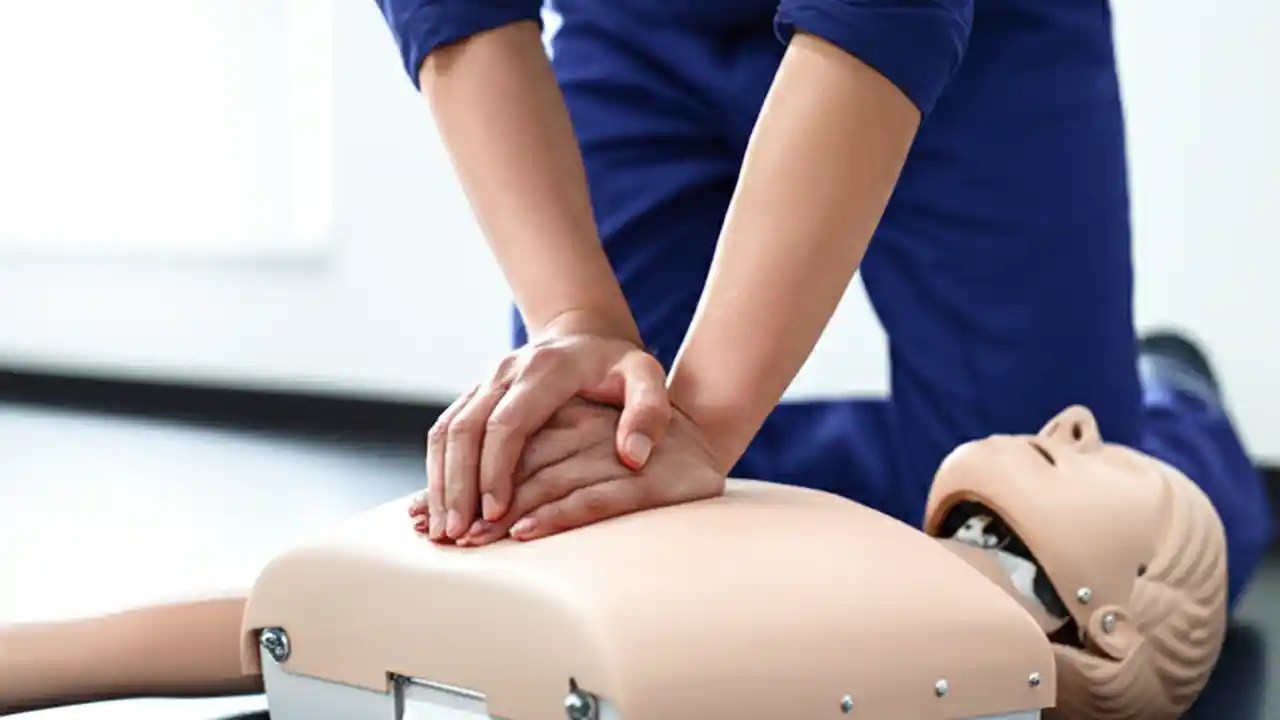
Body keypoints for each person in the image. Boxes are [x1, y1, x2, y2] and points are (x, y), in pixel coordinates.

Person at [378, 0, 1272, 605]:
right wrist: (576, 320)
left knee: (1070, 581)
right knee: (598, 521)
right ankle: (901, 471)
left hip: (976, 36)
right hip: (636, 26)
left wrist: (709, 418)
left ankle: (1179, 418)